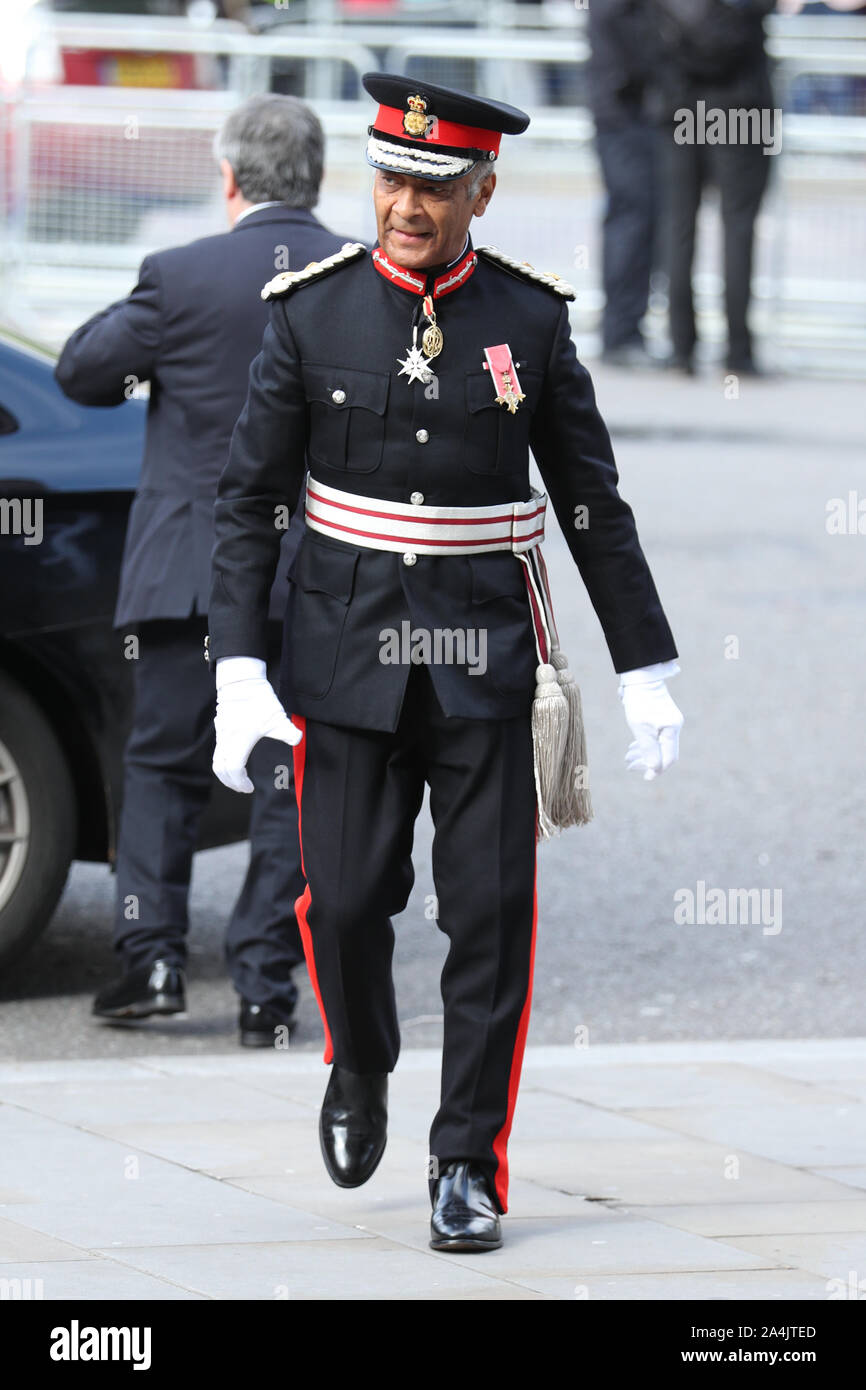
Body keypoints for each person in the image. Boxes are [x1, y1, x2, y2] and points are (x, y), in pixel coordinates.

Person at [207, 73, 684, 1250]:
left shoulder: (530, 319)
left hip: (483, 662)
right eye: (389, 178)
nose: (404, 204)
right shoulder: (308, 312)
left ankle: (465, 1162)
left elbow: (589, 504)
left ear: (480, 190)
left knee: (492, 914)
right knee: (348, 901)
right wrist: (235, 667)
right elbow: (247, 500)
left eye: (430, 185)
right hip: (344, 652)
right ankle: (359, 1064)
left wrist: (644, 666)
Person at [55, 95, 355, 1045]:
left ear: (230, 180)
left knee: (162, 765)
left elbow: (81, 373)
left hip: (190, 573)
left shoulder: (179, 276)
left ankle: (152, 967)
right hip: (317, 573)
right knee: (286, 778)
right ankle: (268, 990)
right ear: (316, 179)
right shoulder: (361, 275)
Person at [651, 0, 777, 374]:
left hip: (680, 103)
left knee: (679, 226)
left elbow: (647, 32)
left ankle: (681, 350)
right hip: (741, 107)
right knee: (738, 227)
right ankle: (739, 351)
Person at [587, 0, 662, 366]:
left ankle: (627, 331)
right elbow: (627, 38)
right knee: (632, 219)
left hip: (627, 110)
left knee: (638, 221)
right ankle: (621, 335)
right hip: (623, 113)